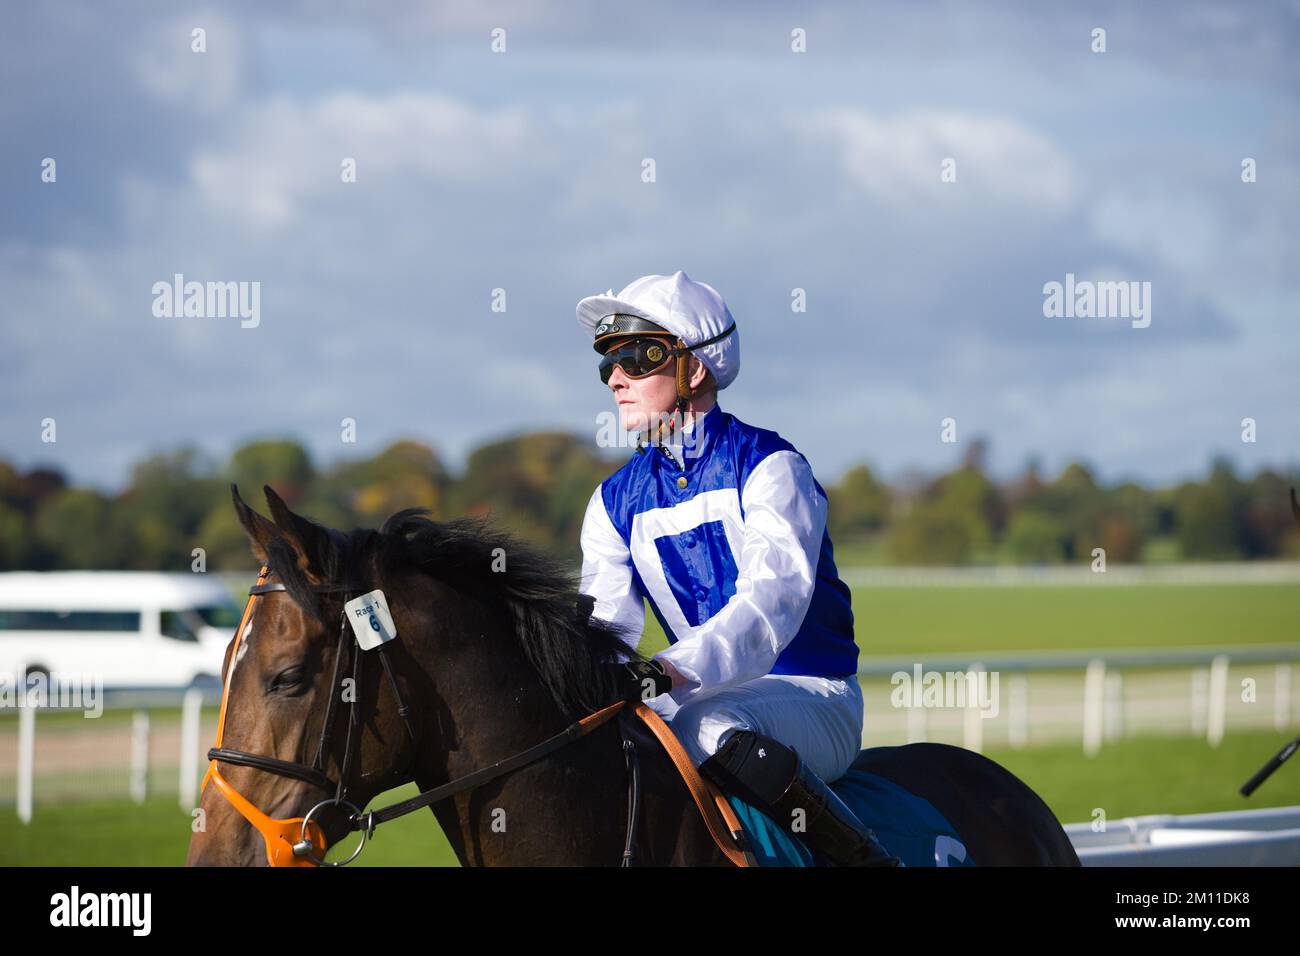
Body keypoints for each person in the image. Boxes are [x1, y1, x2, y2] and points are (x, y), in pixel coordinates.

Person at [574, 270, 900, 866]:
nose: (615, 378)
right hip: (696, 697)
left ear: (693, 369)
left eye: (635, 357)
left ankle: (866, 860)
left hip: (813, 697)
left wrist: (666, 671)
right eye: (608, 363)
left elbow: (767, 608)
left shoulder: (772, 467)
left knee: (701, 726)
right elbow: (607, 627)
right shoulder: (611, 502)